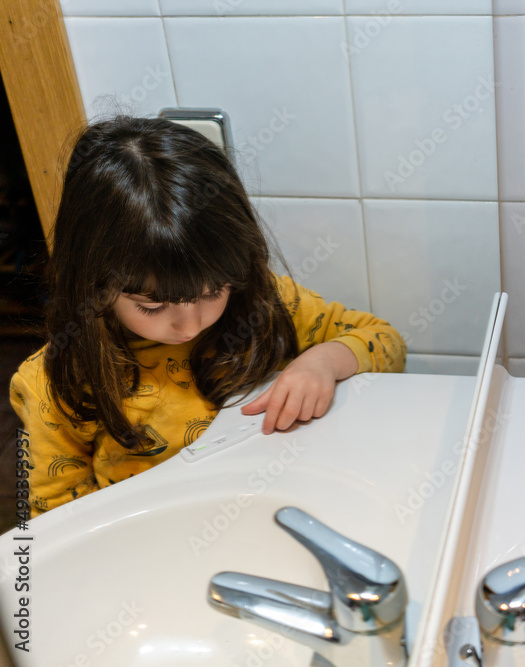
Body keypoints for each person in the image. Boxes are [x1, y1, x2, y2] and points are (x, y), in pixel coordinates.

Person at [10, 116, 406, 517]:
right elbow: (52, 520)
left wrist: (324, 361)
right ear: (93, 283)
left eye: (213, 292)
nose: (190, 324)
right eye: (152, 306)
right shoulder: (56, 380)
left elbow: (385, 341)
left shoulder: (267, 305)